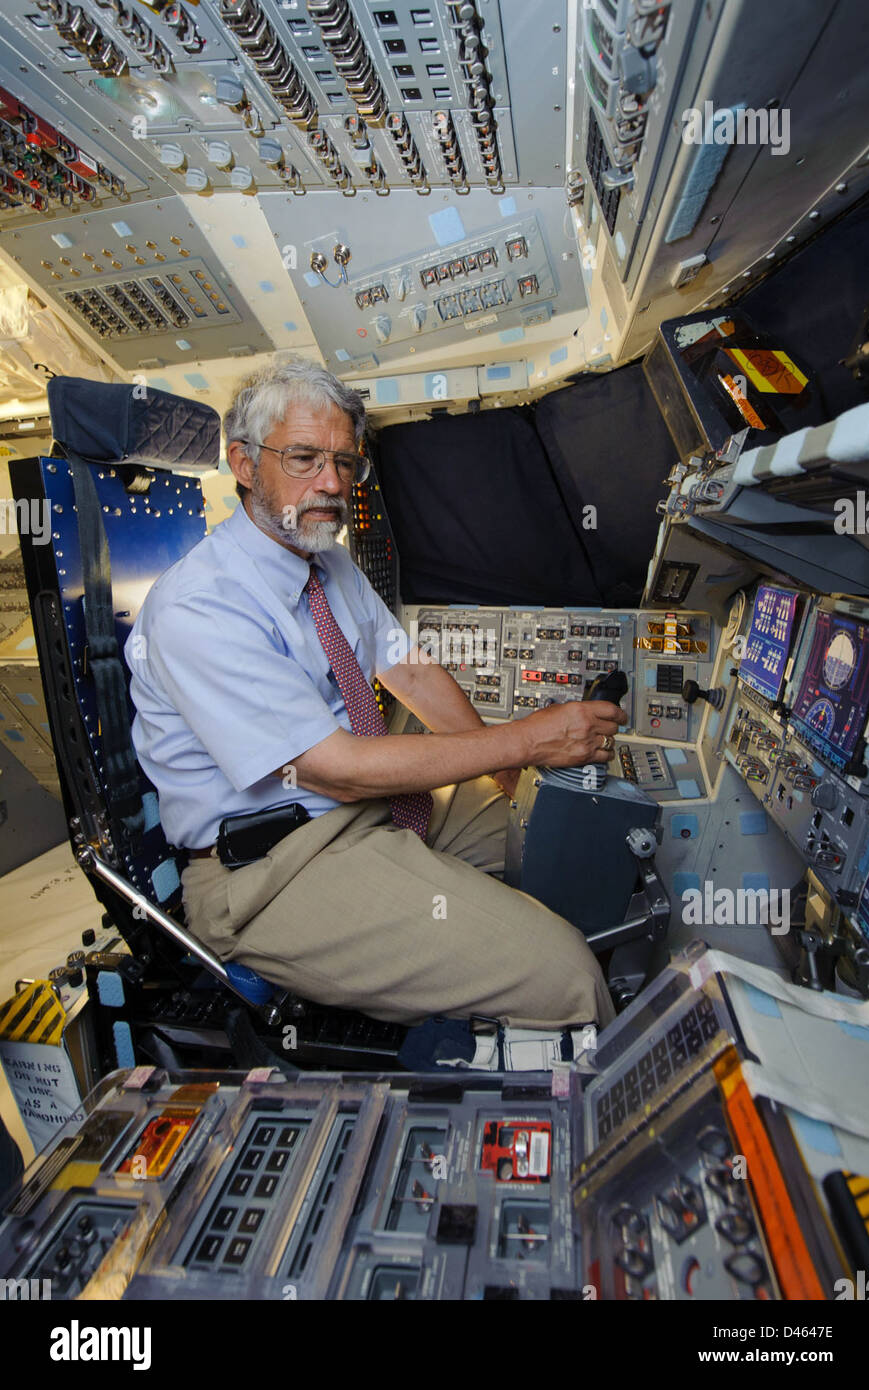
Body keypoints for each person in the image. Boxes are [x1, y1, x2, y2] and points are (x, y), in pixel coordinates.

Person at [125, 354, 627, 1031]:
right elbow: (336, 770)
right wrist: (533, 738)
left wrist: (513, 774)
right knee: (564, 976)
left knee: (580, 841)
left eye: (344, 462)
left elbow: (410, 673)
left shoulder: (325, 561)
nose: (330, 483)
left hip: (363, 808)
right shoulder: (201, 607)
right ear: (244, 464)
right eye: (303, 458)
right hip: (275, 867)